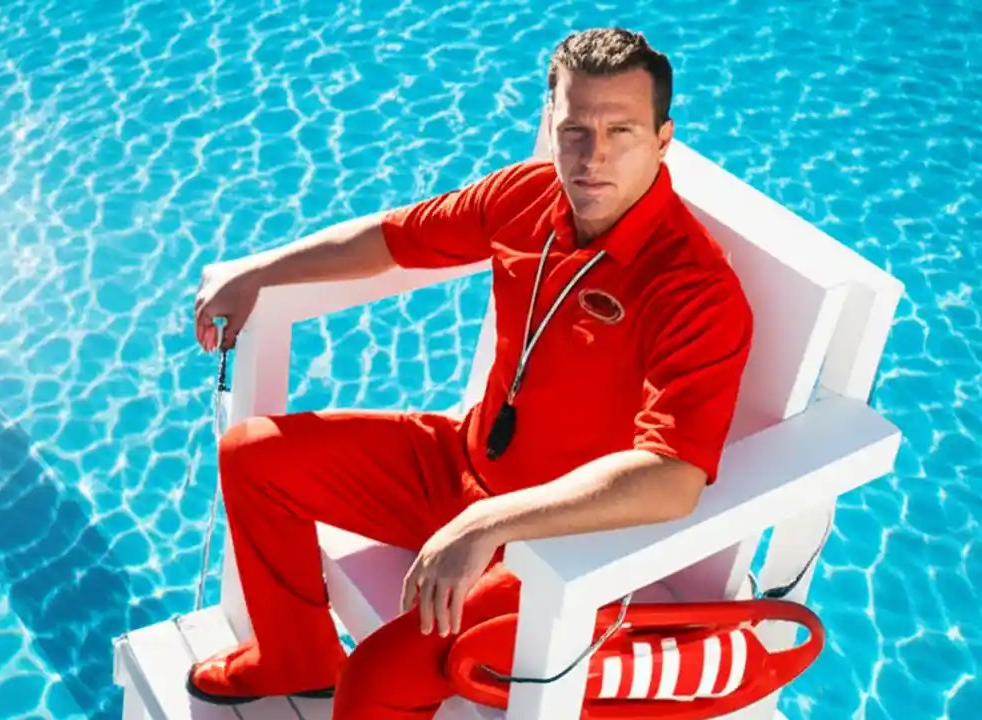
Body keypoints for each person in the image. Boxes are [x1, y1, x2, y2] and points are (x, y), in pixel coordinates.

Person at [187, 27, 754, 719]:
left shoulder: (695, 288)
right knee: (255, 457)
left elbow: (672, 478)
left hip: (560, 545)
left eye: (621, 130)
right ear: (552, 124)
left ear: (664, 139)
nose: (592, 156)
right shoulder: (526, 194)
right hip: (461, 465)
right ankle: (295, 656)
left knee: (375, 682)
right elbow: (390, 239)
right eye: (574, 129)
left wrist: (490, 521)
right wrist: (257, 273)